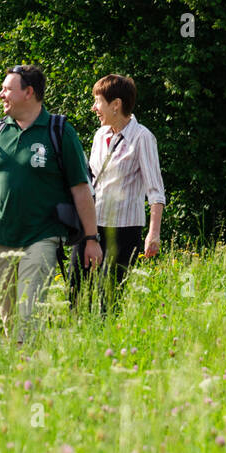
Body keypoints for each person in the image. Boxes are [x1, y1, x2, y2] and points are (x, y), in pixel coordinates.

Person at [0, 65, 99, 344]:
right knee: (7, 311)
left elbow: (81, 189)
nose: (1, 94)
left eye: (7, 89)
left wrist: (91, 238)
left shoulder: (59, 131)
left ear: (29, 92)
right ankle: (24, 366)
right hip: (1, 236)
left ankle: (24, 370)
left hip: (43, 235)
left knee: (29, 310)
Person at [67, 74, 165, 310]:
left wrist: (154, 234)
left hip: (123, 229)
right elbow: (90, 180)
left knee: (108, 297)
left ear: (116, 104)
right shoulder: (100, 135)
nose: (94, 108)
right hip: (90, 225)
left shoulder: (143, 138)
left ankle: (106, 343)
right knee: (75, 288)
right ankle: (76, 338)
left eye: (97, 101)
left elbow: (155, 191)